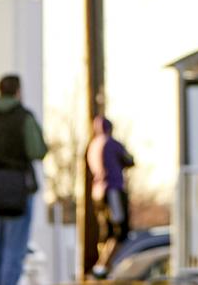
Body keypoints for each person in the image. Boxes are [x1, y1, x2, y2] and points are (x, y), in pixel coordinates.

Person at [0, 74, 47, 285]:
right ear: (18, 91)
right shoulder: (24, 117)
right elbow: (37, 150)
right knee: (14, 251)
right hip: (20, 189)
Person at [87, 116, 135, 276]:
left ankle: (101, 266)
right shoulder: (111, 143)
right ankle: (103, 267)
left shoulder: (92, 145)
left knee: (105, 231)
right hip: (112, 189)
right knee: (120, 232)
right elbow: (129, 159)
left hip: (97, 192)